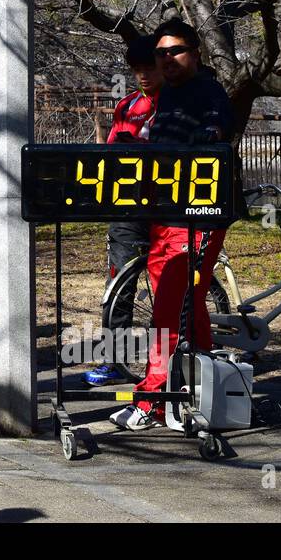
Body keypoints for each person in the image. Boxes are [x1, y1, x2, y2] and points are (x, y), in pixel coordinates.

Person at [109, 18, 234, 431]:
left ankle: (153, 401)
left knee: (168, 306)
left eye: (176, 51)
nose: (167, 60)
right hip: (166, 215)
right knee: (189, 303)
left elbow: (214, 140)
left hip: (198, 218)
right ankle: (196, 390)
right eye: (161, 53)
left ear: (195, 53)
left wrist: (195, 140)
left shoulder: (209, 93)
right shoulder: (166, 98)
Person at [85, 35, 162, 387]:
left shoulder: (176, 104)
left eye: (150, 68)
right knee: (119, 284)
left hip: (167, 207)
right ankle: (113, 359)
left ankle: (167, 362)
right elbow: (113, 153)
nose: (144, 76)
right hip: (128, 207)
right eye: (138, 70)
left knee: (168, 286)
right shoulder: (126, 106)